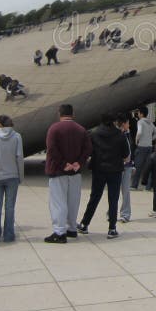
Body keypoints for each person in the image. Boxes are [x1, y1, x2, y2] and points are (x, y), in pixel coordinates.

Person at [44, 104, 92, 244]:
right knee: (73, 201)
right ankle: (71, 228)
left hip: (58, 171)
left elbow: (51, 149)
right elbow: (88, 148)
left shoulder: (54, 129)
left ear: (59, 113)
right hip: (75, 172)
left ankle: (59, 231)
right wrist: (79, 162)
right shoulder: (81, 129)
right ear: (73, 113)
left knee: (59, 202)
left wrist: (64, 163)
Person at [78, 113, 130, 239]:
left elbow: (89, 151)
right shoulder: (120, 135)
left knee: (94, 197)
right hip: (115, 171)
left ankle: (85, 224)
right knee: (113, 199)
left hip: (98, 169)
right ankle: (112, 228)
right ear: (113, 121)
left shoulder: (94, 134)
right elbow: (126, 155)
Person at [0, 115, 24, 243]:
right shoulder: (17, 137)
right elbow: (19, 157)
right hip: (12, 175)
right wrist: (21, 175)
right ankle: (8, 235)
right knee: (10, 206)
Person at [131, 106, 156, 190]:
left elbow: (139, 132)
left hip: (141, 147)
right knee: (148, 167)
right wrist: (150, 139)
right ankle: (148, 186)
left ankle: (134, 185)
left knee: (138, 167)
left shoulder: (140, 122)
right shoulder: (150, 122)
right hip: (149, 147)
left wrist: (136, 140)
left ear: (141, 114)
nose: (137, 114)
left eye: (138, 112)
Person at [117, 114, 135, 223]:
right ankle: (111, 213)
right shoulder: (116, 135)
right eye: (128, 123)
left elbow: (130, 148)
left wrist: (132, 163)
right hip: (118, 166)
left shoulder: (127, 134)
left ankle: (125, 214)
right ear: (123, 124)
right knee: (114, 192)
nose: (129, 125)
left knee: (126, 191)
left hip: (127, 167)